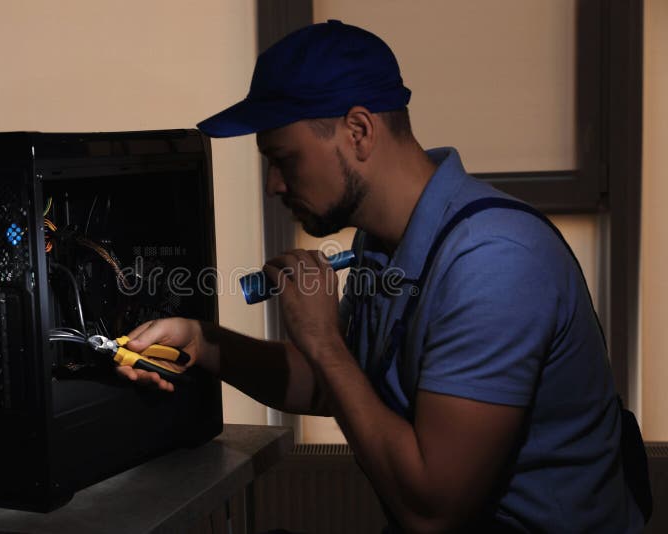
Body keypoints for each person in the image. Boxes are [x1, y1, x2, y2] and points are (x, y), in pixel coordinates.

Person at [117, 20, 643, 532]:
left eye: (284, 159)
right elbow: (333, 386)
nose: (274, 184)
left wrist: (323, 339)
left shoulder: (494, 262)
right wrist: (205, 342)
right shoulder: (382, 240)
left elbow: (432, 511)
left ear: (359, 131)